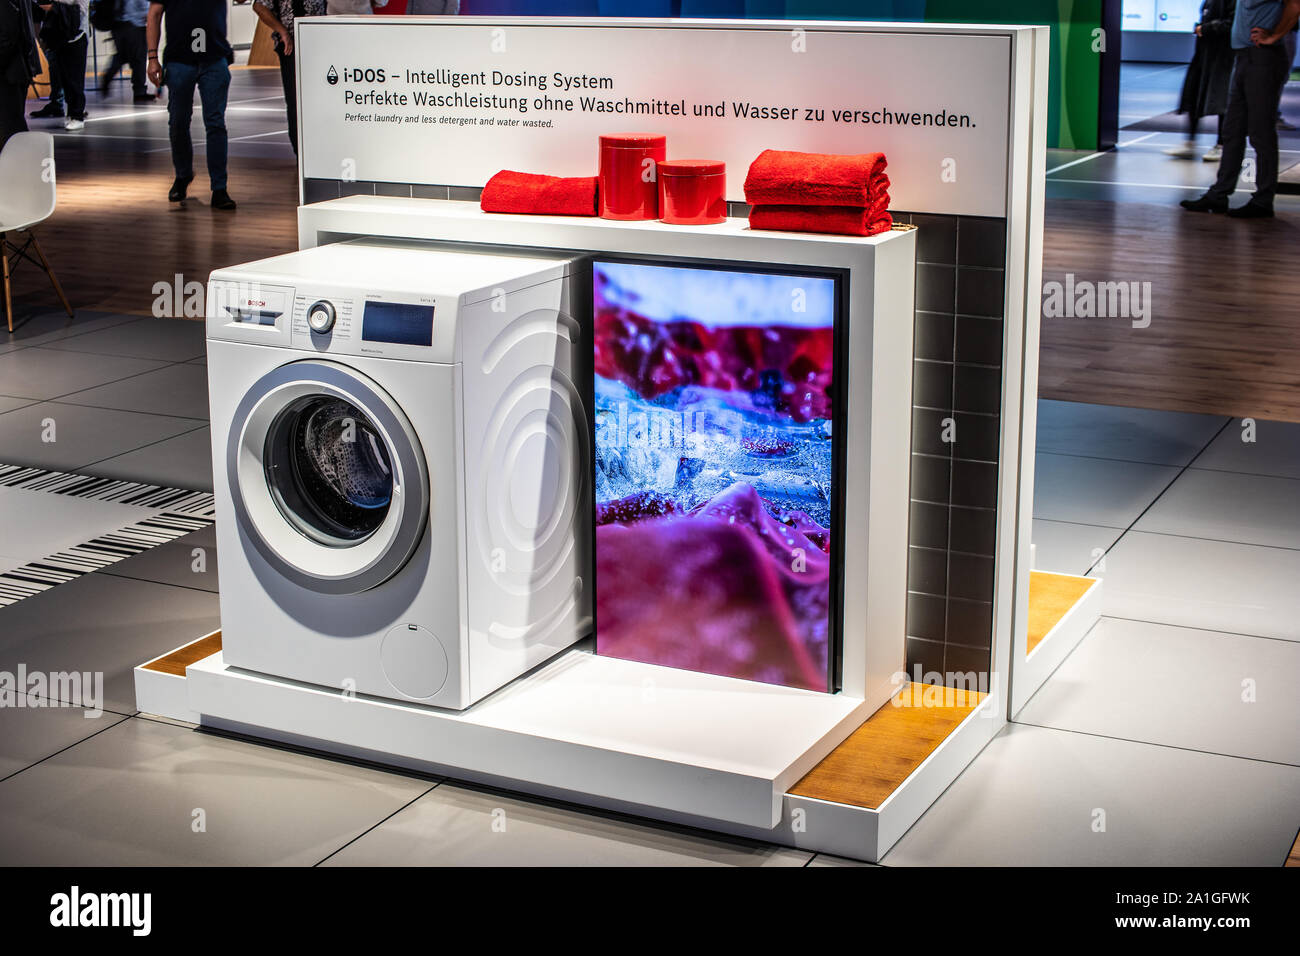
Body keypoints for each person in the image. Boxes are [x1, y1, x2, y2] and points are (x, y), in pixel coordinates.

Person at [1182, 0, 1300, 217]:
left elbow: (1294, 5)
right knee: (1232, 130)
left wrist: (1274, 35)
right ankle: (1219, 194)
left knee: (1260, 132)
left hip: (1264, 56)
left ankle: (1263, 200)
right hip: (1243, 56)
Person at [145, 0, 236, 209]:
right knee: (178, 121)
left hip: (214, 57)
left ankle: (219, 188)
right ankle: (182, 175)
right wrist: (152, 57)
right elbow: (154, 14)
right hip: (179, 59)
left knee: (215, 123)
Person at [251, 0, 324, 155]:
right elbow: (259, 6)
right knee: (296, 102)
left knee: (323, 101)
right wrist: (282, 31)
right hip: (292, 47)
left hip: (322, 44)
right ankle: (302, 153)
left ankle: (321, 150)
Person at [1168, 0, 1237, 162]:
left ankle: (1221, 145)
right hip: (1202, 54)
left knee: (1221, 101)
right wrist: (1201, 28)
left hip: (1222, 56)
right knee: (1193, 95)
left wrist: (1205, 28)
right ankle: (1190, 143)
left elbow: (1232, 24)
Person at [36, 0, 88, 130]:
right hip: (59, 36)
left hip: (76, 35)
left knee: (75, 80)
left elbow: (80, 10)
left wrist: (54, 7)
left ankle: (77, 116)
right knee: (64, 79)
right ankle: (71, 113)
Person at [0, 0, 41, 147]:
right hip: (16, 67)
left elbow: (7, 34)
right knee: (13, 124)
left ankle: (20, 159)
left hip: (10, 70)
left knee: (10, 127)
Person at [100, 0, 154, 102]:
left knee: (121, 56)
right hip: (135, 25)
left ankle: (108, 77)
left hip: (118, 25)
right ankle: (139, 91)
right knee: (139, 59)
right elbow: (145, 8)